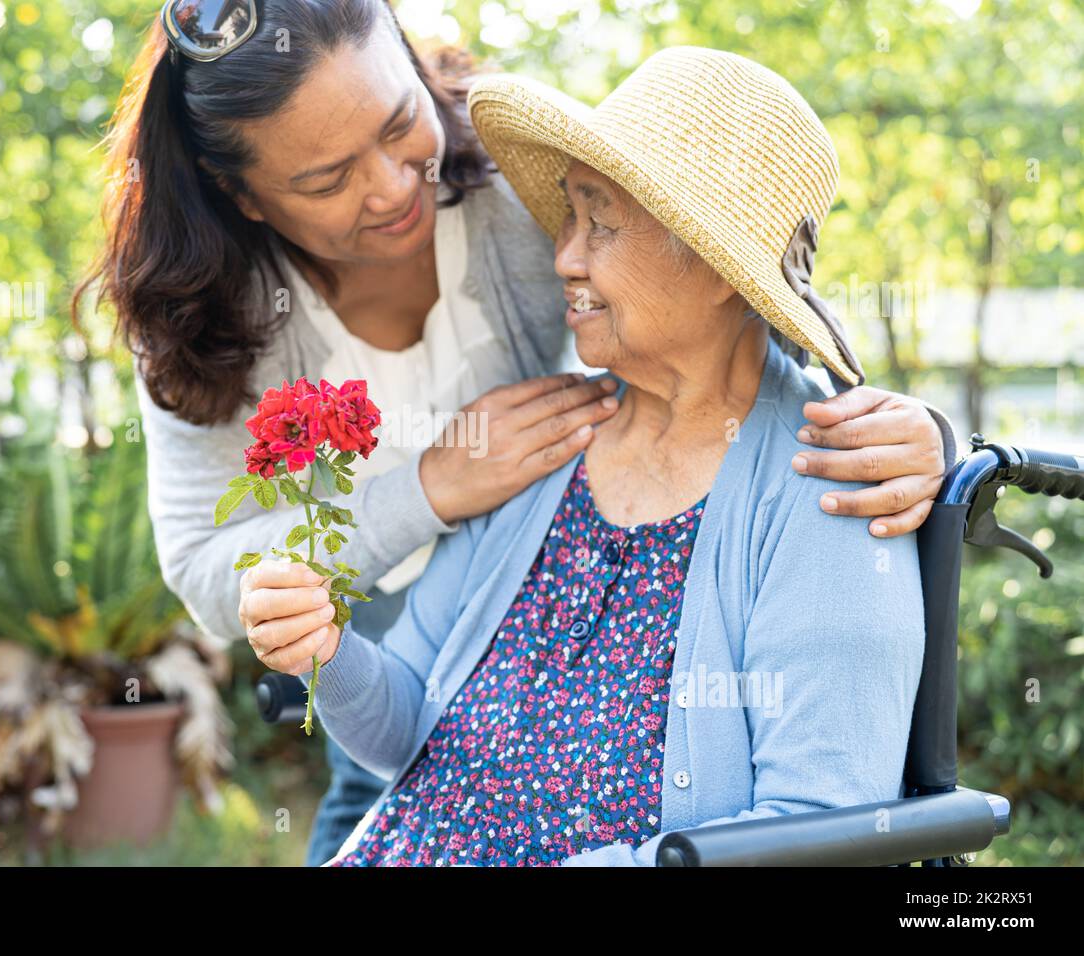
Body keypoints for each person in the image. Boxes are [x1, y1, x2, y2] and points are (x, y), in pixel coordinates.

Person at [78, 0, 951, 866]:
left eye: (595, 222)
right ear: (246, 197)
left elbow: (819, 832)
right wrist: (340, 631)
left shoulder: (818, 491)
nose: (562, 253)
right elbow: (407, 716)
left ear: (720, 260)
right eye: (325, 179)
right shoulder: (546, 444)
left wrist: (931, 443)